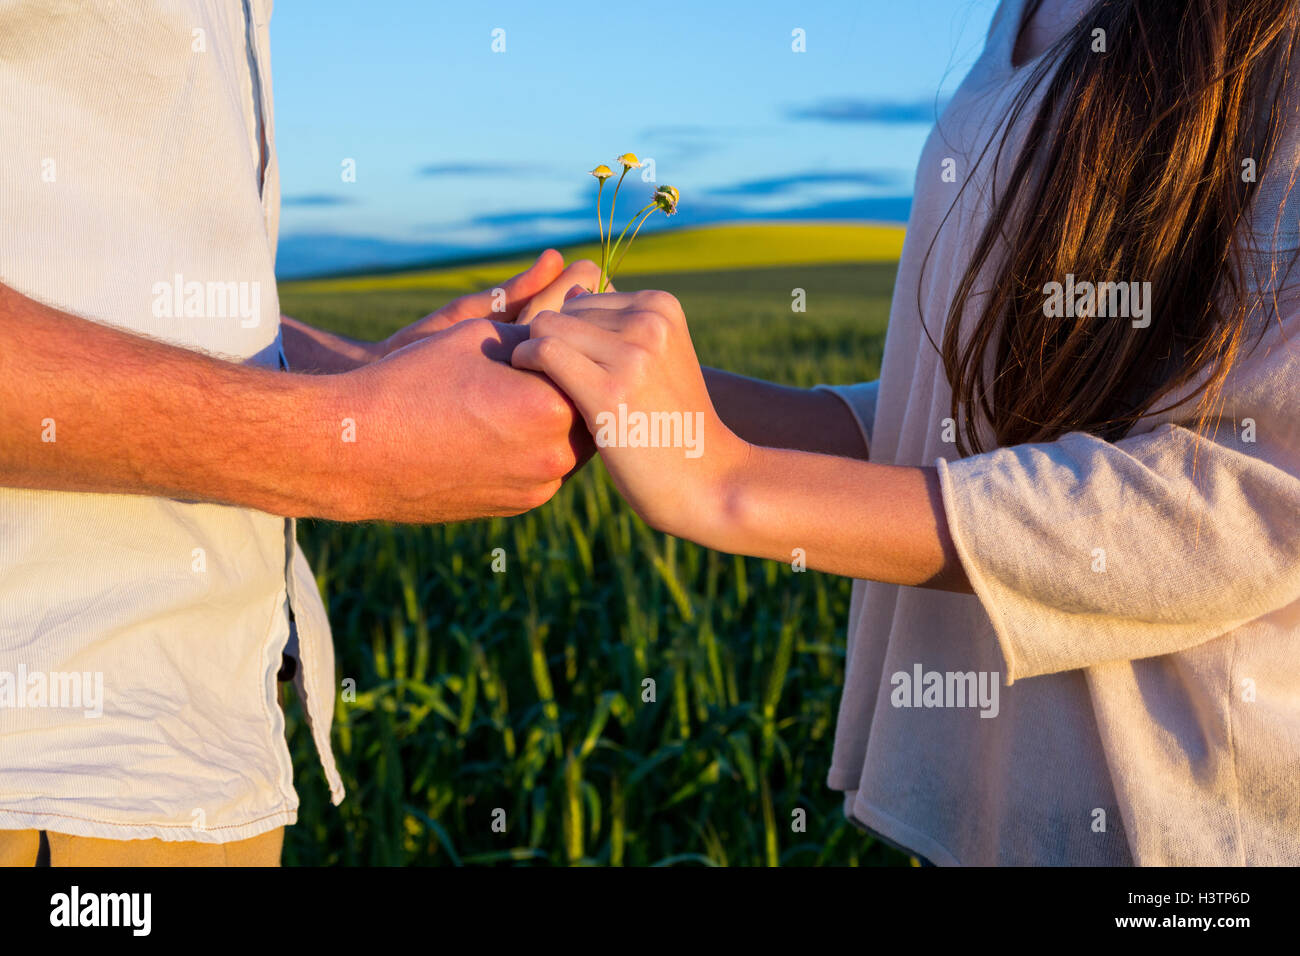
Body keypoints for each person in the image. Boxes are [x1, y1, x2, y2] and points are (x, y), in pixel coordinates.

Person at [515, 0, 1300, 864]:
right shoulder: (1020, 13)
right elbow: (961, 423)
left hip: (1184, 833)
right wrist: (656, 405)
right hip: (990, 817)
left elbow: (1264, 491)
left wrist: (730, 483)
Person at [0, 1, 598, 866]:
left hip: (208, 755)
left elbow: (128, 287)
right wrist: (341, 445)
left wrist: (360, 375)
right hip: (46, 769)